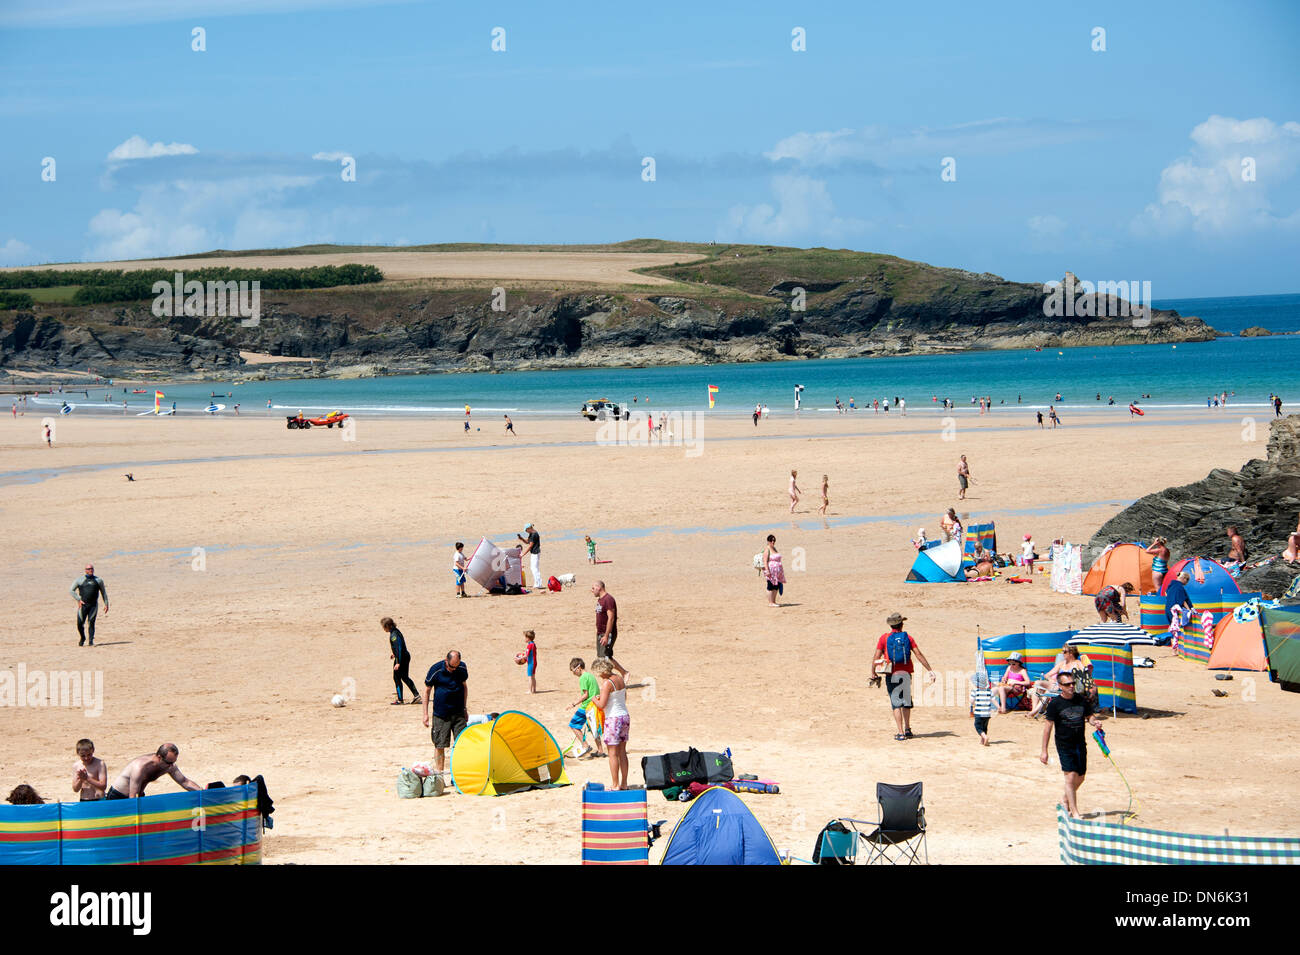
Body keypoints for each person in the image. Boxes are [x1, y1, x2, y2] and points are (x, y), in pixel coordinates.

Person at [1040, 671, 1104, 818]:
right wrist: (1044, 751)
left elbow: (1090, 716)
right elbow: (1047, 728)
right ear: (1060, 686)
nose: (1071, 686)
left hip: (1080, 743)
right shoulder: (1055, 704)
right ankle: (1074, 811)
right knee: (1070, 777)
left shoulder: (1081, 700)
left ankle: (1065, 798)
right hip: (1064, 745)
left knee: (1080, 777)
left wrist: (1095, 722)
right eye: (1067, 684)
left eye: (1073, 683)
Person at [871, 613, 936, 741]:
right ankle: (908, 729)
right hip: (905, 674)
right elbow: (918, 654)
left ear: (891, 625)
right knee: (906, 702)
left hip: (892, 675)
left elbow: (876, 657)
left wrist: (873, 672)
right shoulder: (908, 638)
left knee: (896, 704)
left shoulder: (884, 638)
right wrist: (929, 670)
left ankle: (900, 733)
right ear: (902, 624)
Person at [422, 651, 469, 775]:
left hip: (458, 713)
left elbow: (464, 687)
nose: (454, 669)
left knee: (461, 743)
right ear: (446, 661)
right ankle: (439, 774)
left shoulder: (462, 668)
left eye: (456, 666)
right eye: (451, 666)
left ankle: (459, 774)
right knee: (440, 744)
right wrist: (425, 714)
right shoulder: (436, 670)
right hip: (441, 714)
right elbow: (427, 691)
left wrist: (464, 708)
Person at [106, 744, 203, 799]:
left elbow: (185, 782)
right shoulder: (140, 767)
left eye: (174, 762)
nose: (171, 766)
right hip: (118, 796)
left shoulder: (169, 765)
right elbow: (133, 796)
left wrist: (203, 793)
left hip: (138, 796)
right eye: (169, 762)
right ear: (159, 757)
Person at [592, 659, 630, 789]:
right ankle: (624, 783)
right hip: (624, 715)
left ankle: (615, 784)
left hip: (613, 719)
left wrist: (593, 699)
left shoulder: (607, 683)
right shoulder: (620, 678)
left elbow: (602, 705)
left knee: (612, 754)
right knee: (622, 752)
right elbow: (623, 698)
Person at [567, 658, 605, 759]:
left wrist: (573, 704)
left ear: (579, 668)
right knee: (594, 729)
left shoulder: (583, 678)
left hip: (586, 706)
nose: (573, 673)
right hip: (594, 706)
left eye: (573, 670)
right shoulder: (590, 676)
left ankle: (585, 745)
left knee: (574, 725)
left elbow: (585, 695)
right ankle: (600, 750)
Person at [382, 617, 421, 705]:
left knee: (397, 677)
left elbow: (399, 648)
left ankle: (400, 700)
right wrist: (394, 654)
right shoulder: (396, 631)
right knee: (404, 677)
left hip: (402, 658)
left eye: (384, 627)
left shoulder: (394, 635)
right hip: (404, 656)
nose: (383, 629)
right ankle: (416, 696)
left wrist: (398, 662)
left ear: (388, 626)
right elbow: (399, 647)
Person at [592, 580, 626, 676]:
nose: (592, 590)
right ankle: (623, 673)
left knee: (605, 659)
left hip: (607, 633)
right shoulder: (600, 600)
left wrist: (606, 635)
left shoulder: (608, 599)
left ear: (599, 588)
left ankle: (614, 679)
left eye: (593, 588)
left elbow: (611, 618)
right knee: (602, 657)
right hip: (600, 633)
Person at [71, 563, 109, 647]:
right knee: (80, 624)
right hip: (83, 605)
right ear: (85, 570)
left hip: (93, 605)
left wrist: (106, 604)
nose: (90, 570)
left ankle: (91, 641)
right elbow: (71, 590)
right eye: (88, 569)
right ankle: (83, 638)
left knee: (91, 623)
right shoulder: (80, 580)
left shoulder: (98, 580)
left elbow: (103, 593)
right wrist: (78, 599)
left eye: (91, 568)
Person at [970, 668, 995, 746]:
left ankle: (984, 737)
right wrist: (999, 707)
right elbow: (993, 700)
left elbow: (971, 701)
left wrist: (972, 706)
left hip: (979, 713)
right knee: (985, 727)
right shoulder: (989, 691)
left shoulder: (975, 692)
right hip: (987, 713)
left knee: (978, 726)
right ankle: (982, 740)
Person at [761, 534, 785, 608]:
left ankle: (774, 601)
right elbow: (765, 561)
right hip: (770, 571)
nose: (773, 542)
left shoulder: (774, 549)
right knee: (770, 586)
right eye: (771, 540)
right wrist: (767, 571)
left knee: (776, 586)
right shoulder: (767, 549)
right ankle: (770, 602)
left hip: (777, 571)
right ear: (768, 541)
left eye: (774, 540)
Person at [517, 523, 542, 591]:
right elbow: (527, 541)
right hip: (534, 553)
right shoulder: (532, 533)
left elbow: (530, 546)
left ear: (529, 528)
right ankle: (538, 583)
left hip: (535, 553)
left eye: (526, 530)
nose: (526, 532)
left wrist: (523, 554)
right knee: (534, 567)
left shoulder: (534, 534)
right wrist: (521, 538)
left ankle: (538, 584)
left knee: (534, 568)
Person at [523, 629, 538, 694]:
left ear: (528, 638)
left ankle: (530, 690)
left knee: (530, 677)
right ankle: (534, 690)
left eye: (525, 637)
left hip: (531, 663)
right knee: (533, 677)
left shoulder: (529, 645)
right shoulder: (533, 644)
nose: (524, 639)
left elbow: (526, 655)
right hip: (534, 662)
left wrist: (518, 659)